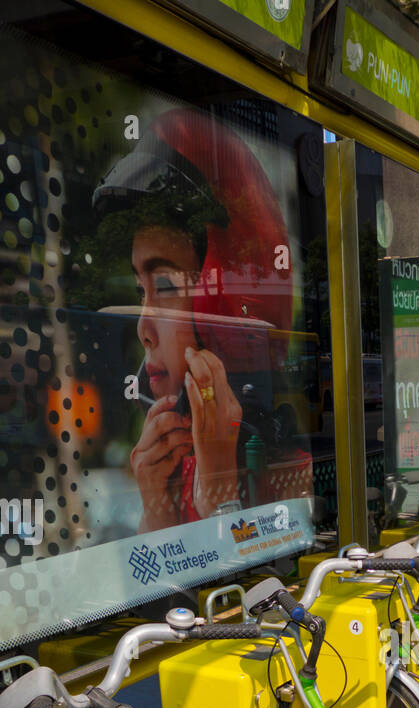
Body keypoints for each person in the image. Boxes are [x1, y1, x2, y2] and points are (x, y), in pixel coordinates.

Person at [93, 108, 300, 531]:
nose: (142, 330)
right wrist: (157, 511)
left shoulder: (291, 473)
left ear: (224, 299)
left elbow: (261, 586)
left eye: (166, 287)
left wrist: (221, 492)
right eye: (140, 292)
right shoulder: (174, 470)